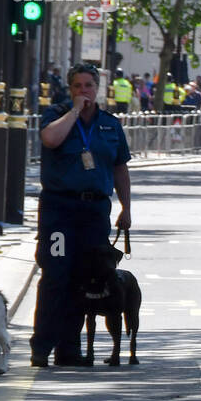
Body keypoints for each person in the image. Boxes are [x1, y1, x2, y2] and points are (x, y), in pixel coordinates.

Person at [32, 63, 132, 366]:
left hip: (94, 210)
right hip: (60, 210)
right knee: (56, 273)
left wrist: (127, 208)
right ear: (70, 88)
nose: (83, 91)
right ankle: (42, 346)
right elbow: (50, 139)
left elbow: (119, 166)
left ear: (98, 88)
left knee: (84, 276)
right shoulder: (57, 115)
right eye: (77, 86)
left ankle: (69, 347)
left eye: (89, 85)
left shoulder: (109, 124)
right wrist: (74, 111)